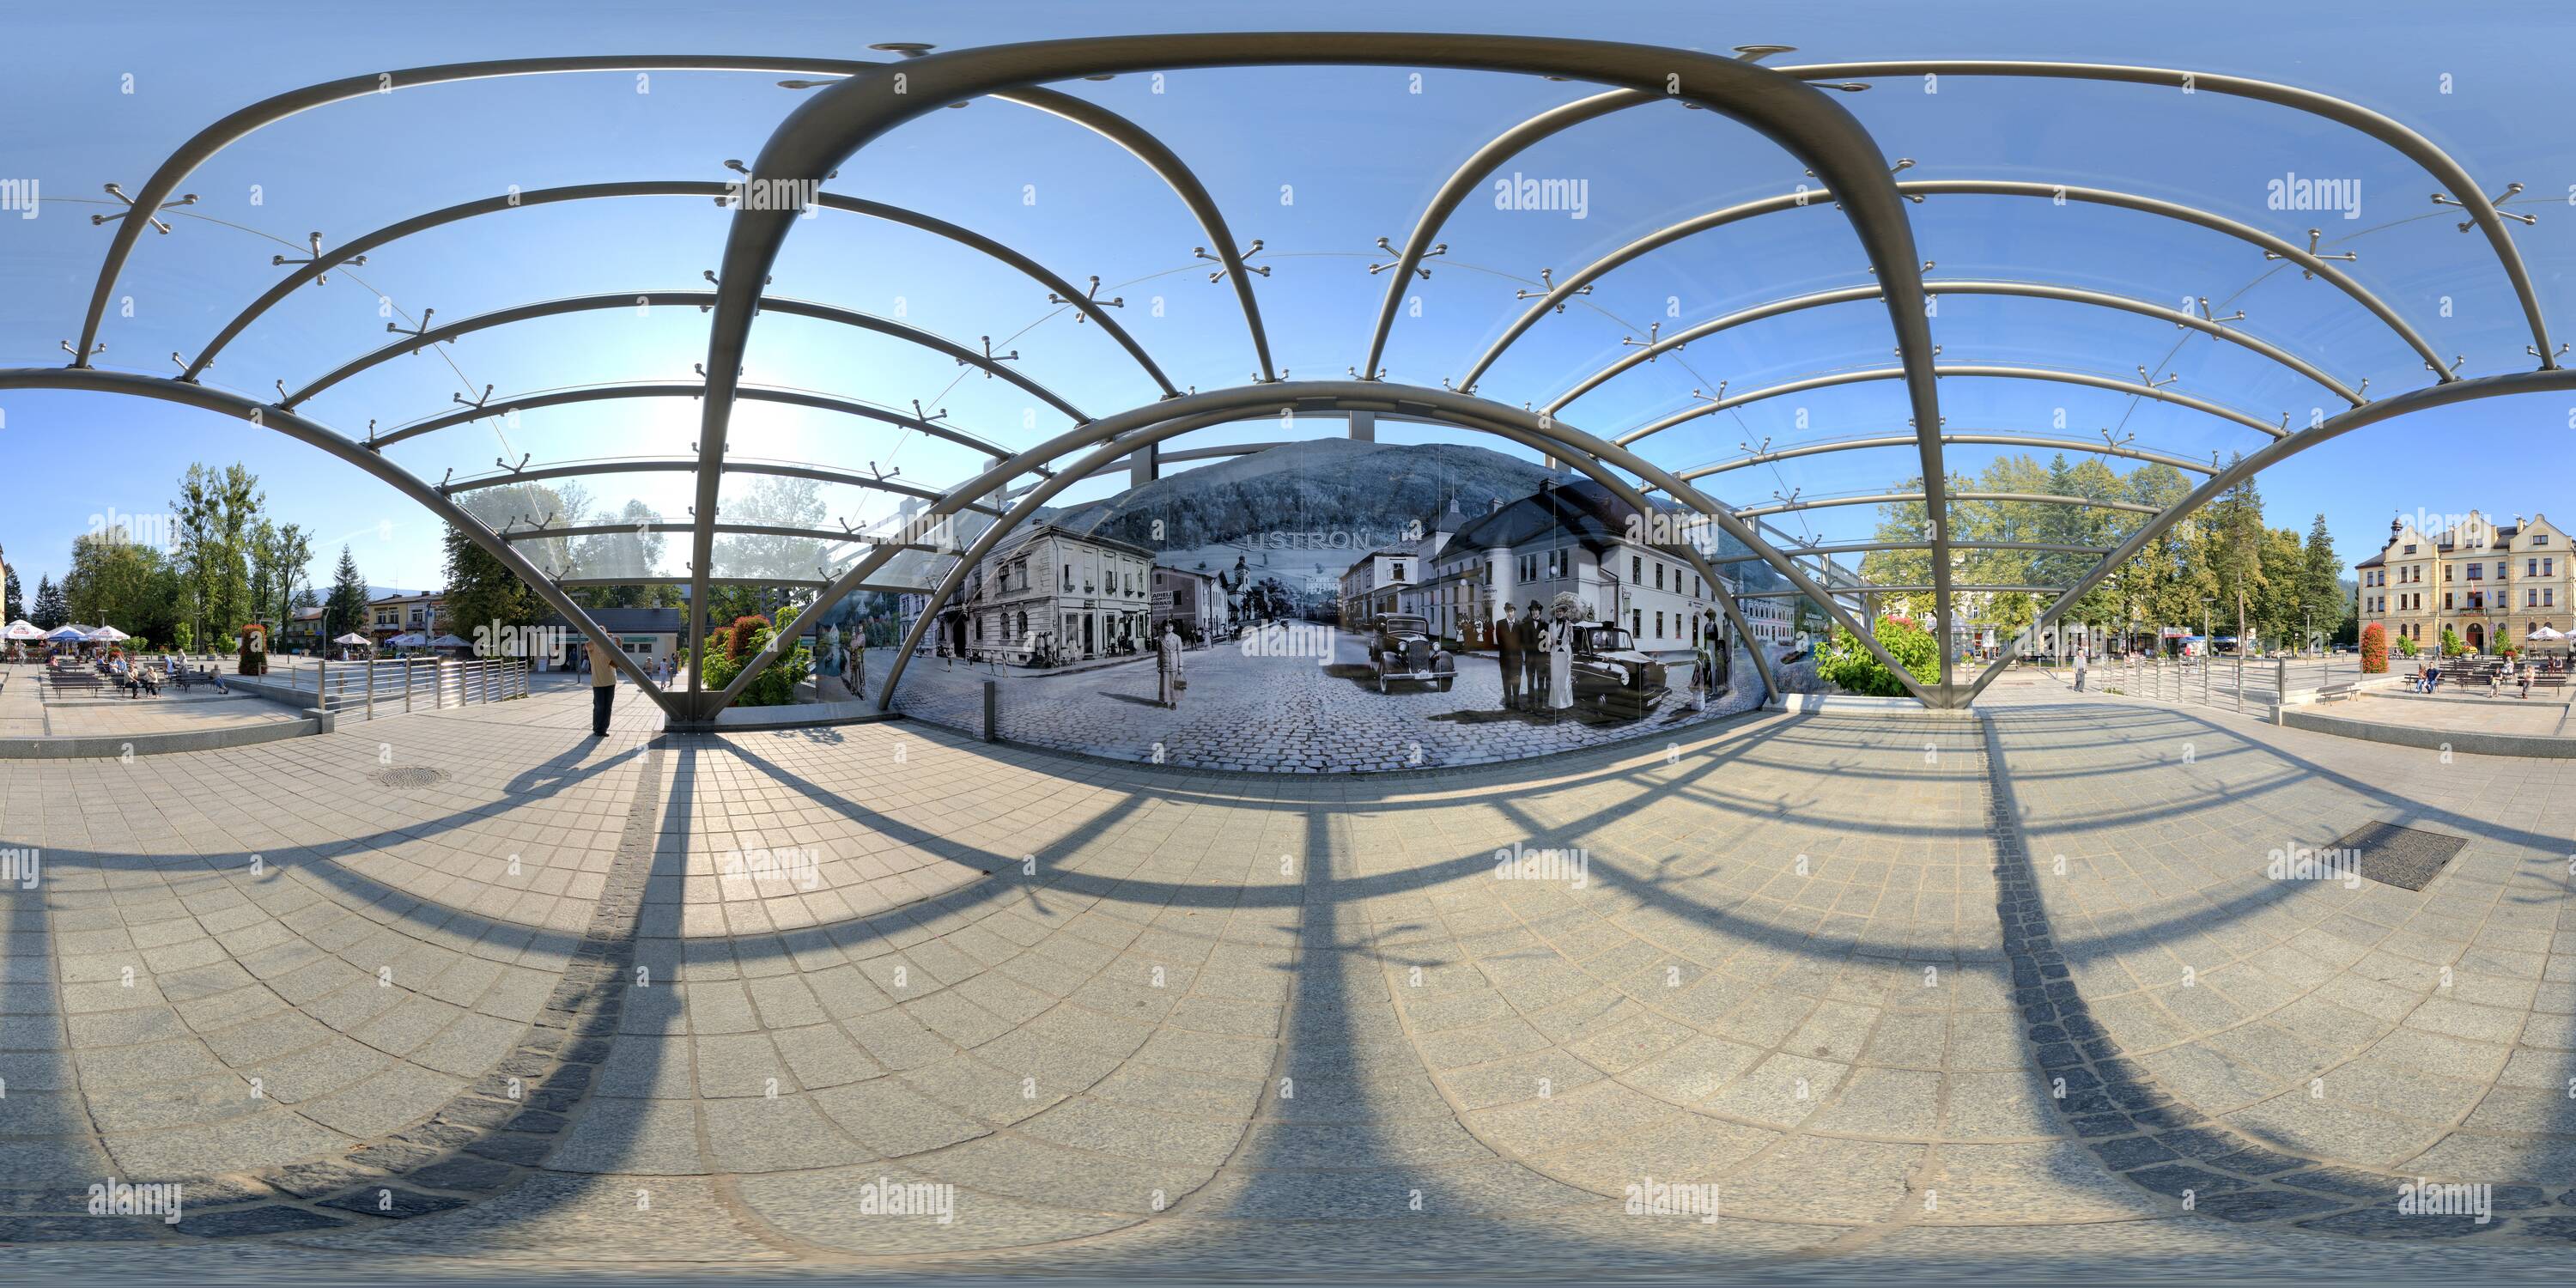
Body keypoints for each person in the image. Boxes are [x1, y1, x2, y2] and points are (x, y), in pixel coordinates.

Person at [1544, 594, 1578, 720]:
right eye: (1557, 611)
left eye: (1561, 611)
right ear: (1555, 613)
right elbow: (1547, 642)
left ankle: (1566, 705)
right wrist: (1552, 643)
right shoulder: (1551, 626)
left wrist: (1570, 631)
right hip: (1555, 655)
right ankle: (1556, 704)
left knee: (1565, 680)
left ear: (1564, 613)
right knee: (1556, 679)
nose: (1559, 613)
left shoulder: (1569, 624)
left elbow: (1572, 639)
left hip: (1565, 655)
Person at [1495, 602, 1526, 712]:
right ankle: (1508, 703)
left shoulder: (1520, 624)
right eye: (1508, 611)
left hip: (1517, 659)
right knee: (1506, 681)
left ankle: (1516, 703)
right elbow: (1500, 641)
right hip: (1505, 658)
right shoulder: (1500, 624)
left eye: (1511, 611)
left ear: (1514, 611)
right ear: (1505, 612)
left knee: (1517, 680)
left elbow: (1522, 642)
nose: (1510, 613)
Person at [1519, 599, 1546, 705]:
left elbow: (1547, 646)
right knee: (1530, 682)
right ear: (1531, 612)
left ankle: (1540, 704)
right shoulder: (1525, 626)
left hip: (1541, 659)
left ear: (1540, 611)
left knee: (1540, 682)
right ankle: (1531, 705)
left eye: (1537, 610)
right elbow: (1522, 642)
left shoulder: (1545, 625)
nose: (1535, 612)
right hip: (1530, 659)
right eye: (1533, 610)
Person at [587, 638, 617, 737]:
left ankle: (604, 729)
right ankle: (597, 729)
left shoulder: (610, 645)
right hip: (598, 682)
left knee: (608, 707)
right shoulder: (592, 644)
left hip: (611, 681)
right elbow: (587, 645)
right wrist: (595, 637)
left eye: (603, 631)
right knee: (599, 707)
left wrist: (618, 643)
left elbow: (617, 662)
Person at [1157, 623, 1184, 709]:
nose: (1169, 627)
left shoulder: (1177, 638)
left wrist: (1180, 665)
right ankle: (1165, 700)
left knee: (1174, 683)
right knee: (1165, 683)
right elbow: (1159, 653)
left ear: (1173, 627)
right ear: (1164, 627)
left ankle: (1174, 702)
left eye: (1171, 625)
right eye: (1167, 625)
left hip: (1174, 662)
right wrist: (1158, 665)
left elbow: (1180, 652)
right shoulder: (1160, 639)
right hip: (1164, 662)